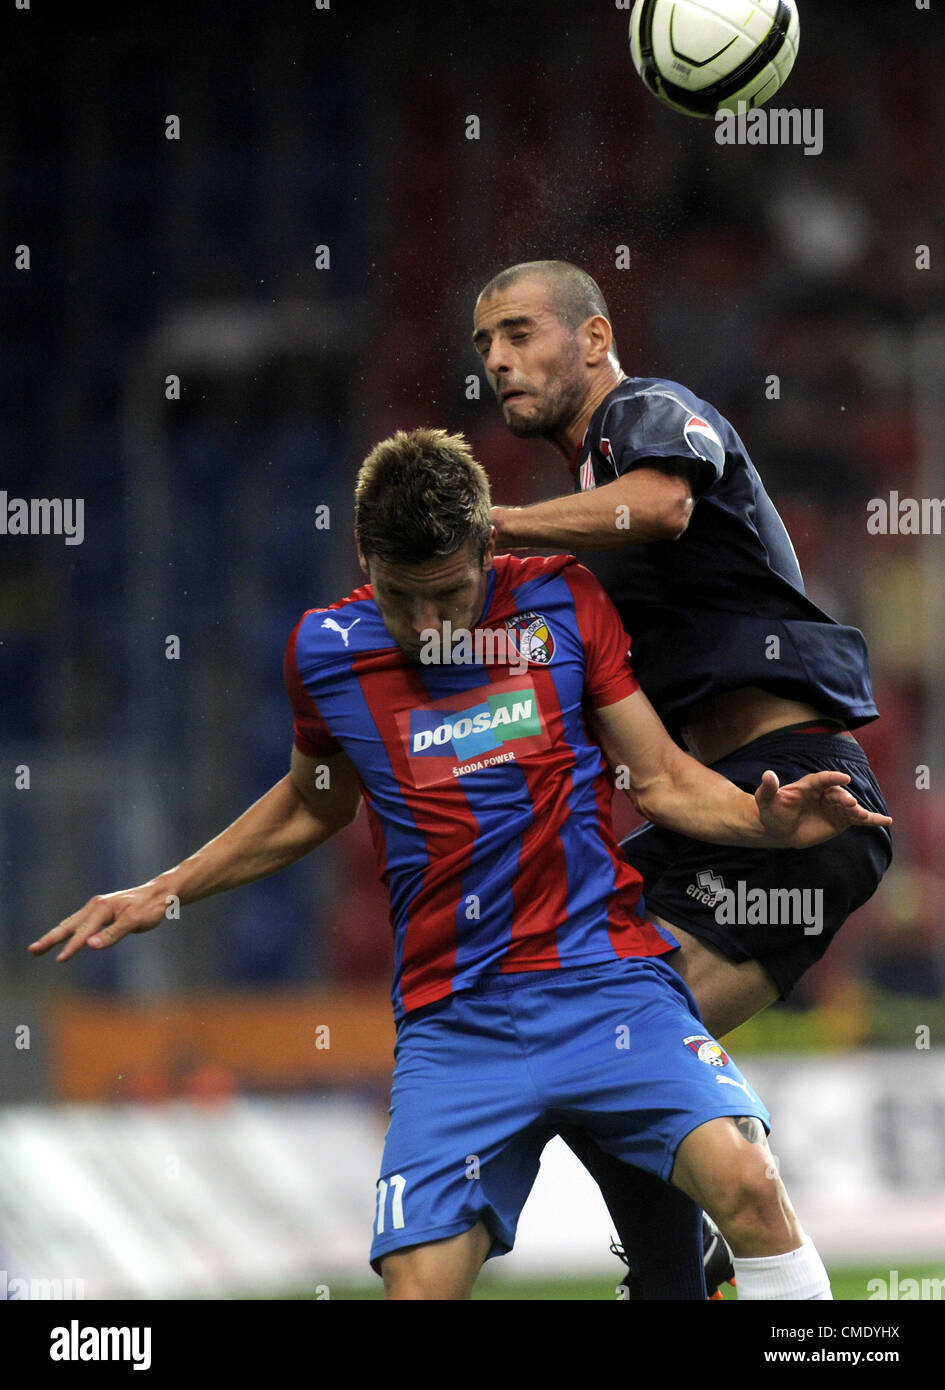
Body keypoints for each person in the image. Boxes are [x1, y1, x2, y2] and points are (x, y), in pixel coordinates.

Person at [30, 429, 891, 1301]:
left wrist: (760, 821)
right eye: (405, 600)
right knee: (417, 1291)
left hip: (605, 986)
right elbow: (312, 802)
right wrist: (167, 888)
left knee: (748, 1186)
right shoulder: (325, 652)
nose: (431, 627)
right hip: (455, 1027)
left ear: (488, 546)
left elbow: (662, 779)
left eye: (449, 594)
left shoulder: (562, 601)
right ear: (367, 558)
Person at [472, 260, 894, 1298]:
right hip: (720, 813)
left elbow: (659, 507)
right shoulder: (586, 529)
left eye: (520, 333)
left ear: (596, 336)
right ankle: (679, 1279)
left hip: (792, 796)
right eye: (484, 345)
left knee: (596, 1043)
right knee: (583, 1049)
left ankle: (722, 1257)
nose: (496, 361)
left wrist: (499, 527)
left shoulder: (646, 416)